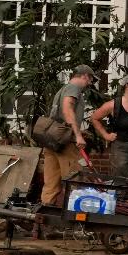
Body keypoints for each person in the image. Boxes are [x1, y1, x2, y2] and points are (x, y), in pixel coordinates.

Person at [41, 64, 94, 207]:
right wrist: (77, 135)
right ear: (84, 76)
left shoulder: (62, 89)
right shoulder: (73, 88)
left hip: (52, 139)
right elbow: (67, 109)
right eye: (90, 79)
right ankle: (75, 218)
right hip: (65, 141)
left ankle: (45, 214)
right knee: (74, 179)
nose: (90, 83)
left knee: (51, 181)